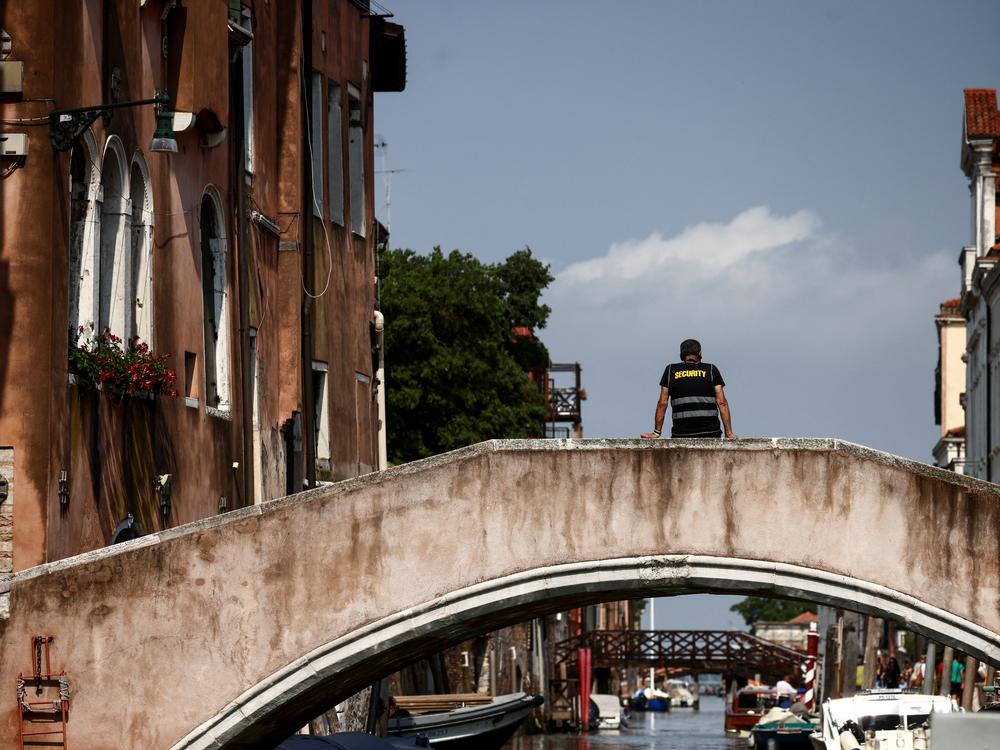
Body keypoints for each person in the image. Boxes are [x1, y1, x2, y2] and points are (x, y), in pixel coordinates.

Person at [641, 339, 736, 439]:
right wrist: (729, 433)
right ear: (700, 353)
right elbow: (722, 402)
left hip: (681, 434)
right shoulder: (711, 370)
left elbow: (662, 403)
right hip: (710, 433)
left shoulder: (670, 371)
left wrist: (656, 433)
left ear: (681, 355)